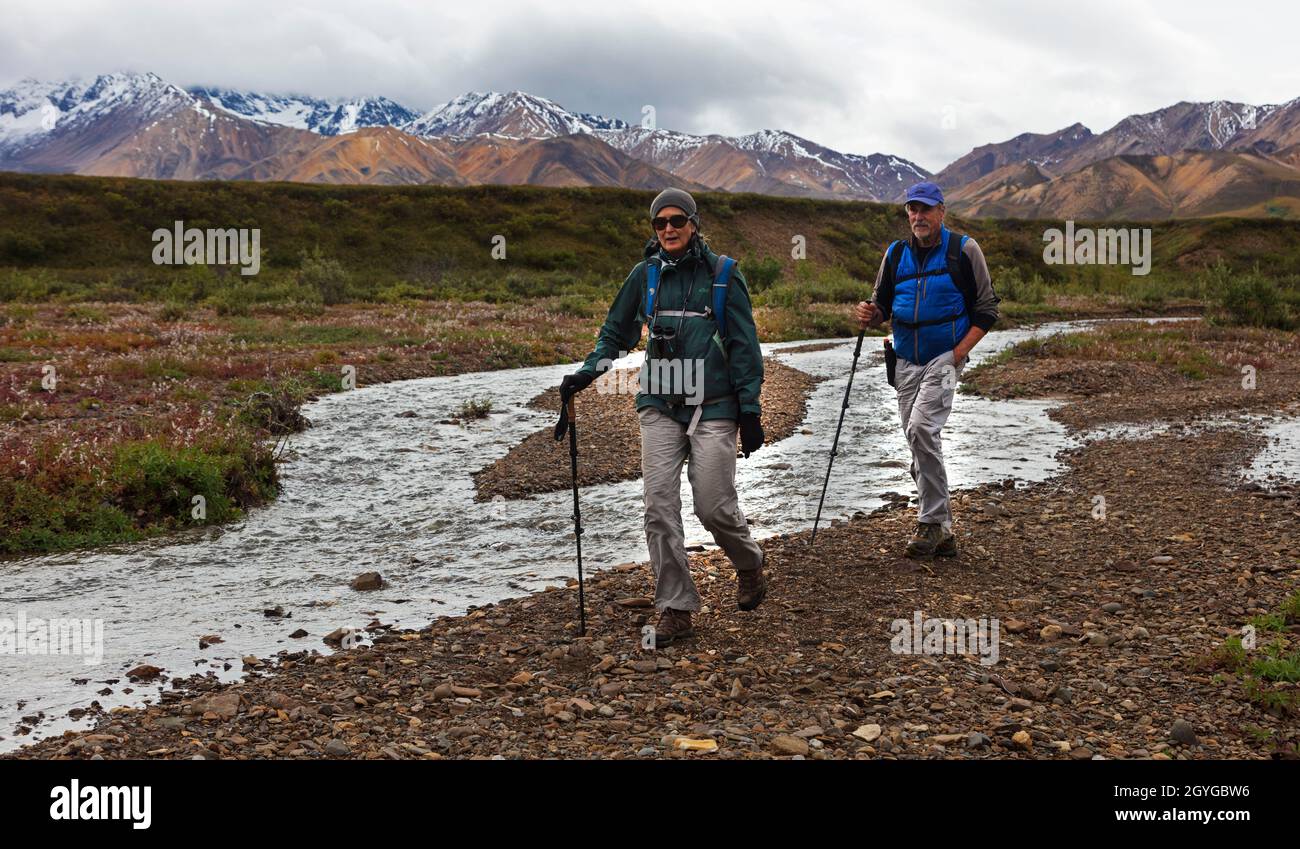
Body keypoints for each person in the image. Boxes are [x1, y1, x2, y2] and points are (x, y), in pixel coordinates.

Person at [556, 188, 767, 647]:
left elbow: (745, 346)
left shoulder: (724, 275)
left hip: (714, 405)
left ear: (693, 223)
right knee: (658, 507)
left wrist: (750, 411)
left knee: (713, 507)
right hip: (658, 404)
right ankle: (676, 607)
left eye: (677, 220)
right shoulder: (645, 275)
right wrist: (587, 373)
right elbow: (615, 332)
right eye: (659, 222)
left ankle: (749, 563)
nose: (668, 229)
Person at [855, 181, 1000, 558]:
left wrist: (957, 354)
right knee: (916, 437)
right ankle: (943, 530)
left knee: (921, 428)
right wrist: (871, 315)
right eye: (912, 210)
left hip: (945, 357)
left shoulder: (963, 250)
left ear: (941, 212)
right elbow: (882, 306)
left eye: (926, 209)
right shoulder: (895, 254)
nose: (918, 216)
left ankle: (931, 522)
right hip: (904, 359)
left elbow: (987, 309)